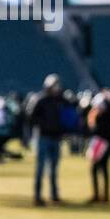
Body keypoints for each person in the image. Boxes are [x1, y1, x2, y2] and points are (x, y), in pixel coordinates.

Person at [26, 74, 64, 206]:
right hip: (43, 137)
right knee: (40, 168)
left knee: (54, 169)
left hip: (55, 137)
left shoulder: (59, 100)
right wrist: (42, 125)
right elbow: (31, 116)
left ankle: (54, 195)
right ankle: (37, 196)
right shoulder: (40, 99)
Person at [86, 92, 110, 205]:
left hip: (102, 144)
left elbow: (93, 128)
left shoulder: (103, 118)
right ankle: (104, 196)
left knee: (96, 169)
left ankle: (99, 196)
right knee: (103, 170)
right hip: (106, 144)